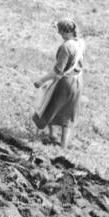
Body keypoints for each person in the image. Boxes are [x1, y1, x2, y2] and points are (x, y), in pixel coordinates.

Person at [33, 18, 85, 148]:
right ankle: (63, 144)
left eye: (60, 31)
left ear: (67, 31)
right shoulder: (80, 43)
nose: (59, 34)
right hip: (77, 82)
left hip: (65, 83)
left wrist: (41, 81)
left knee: (50, 107)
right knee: (68, 113)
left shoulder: (66, 47)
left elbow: (58, 71)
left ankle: (52, 136)